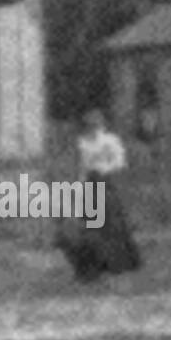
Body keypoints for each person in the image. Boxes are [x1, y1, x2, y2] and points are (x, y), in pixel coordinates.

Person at [56, 108, 141, 281]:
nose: (93, 128)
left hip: (105, 182)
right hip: (90, 185)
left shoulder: (111, 141)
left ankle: (119, 263)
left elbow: (119, 162)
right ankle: (93, 265)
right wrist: (79, 185)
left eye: (96, 124)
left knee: (112, 224)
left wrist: (103, 169)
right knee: (92, 225)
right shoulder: (83, 143)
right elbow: (82, 167)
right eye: (90, 125)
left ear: (102, 124)